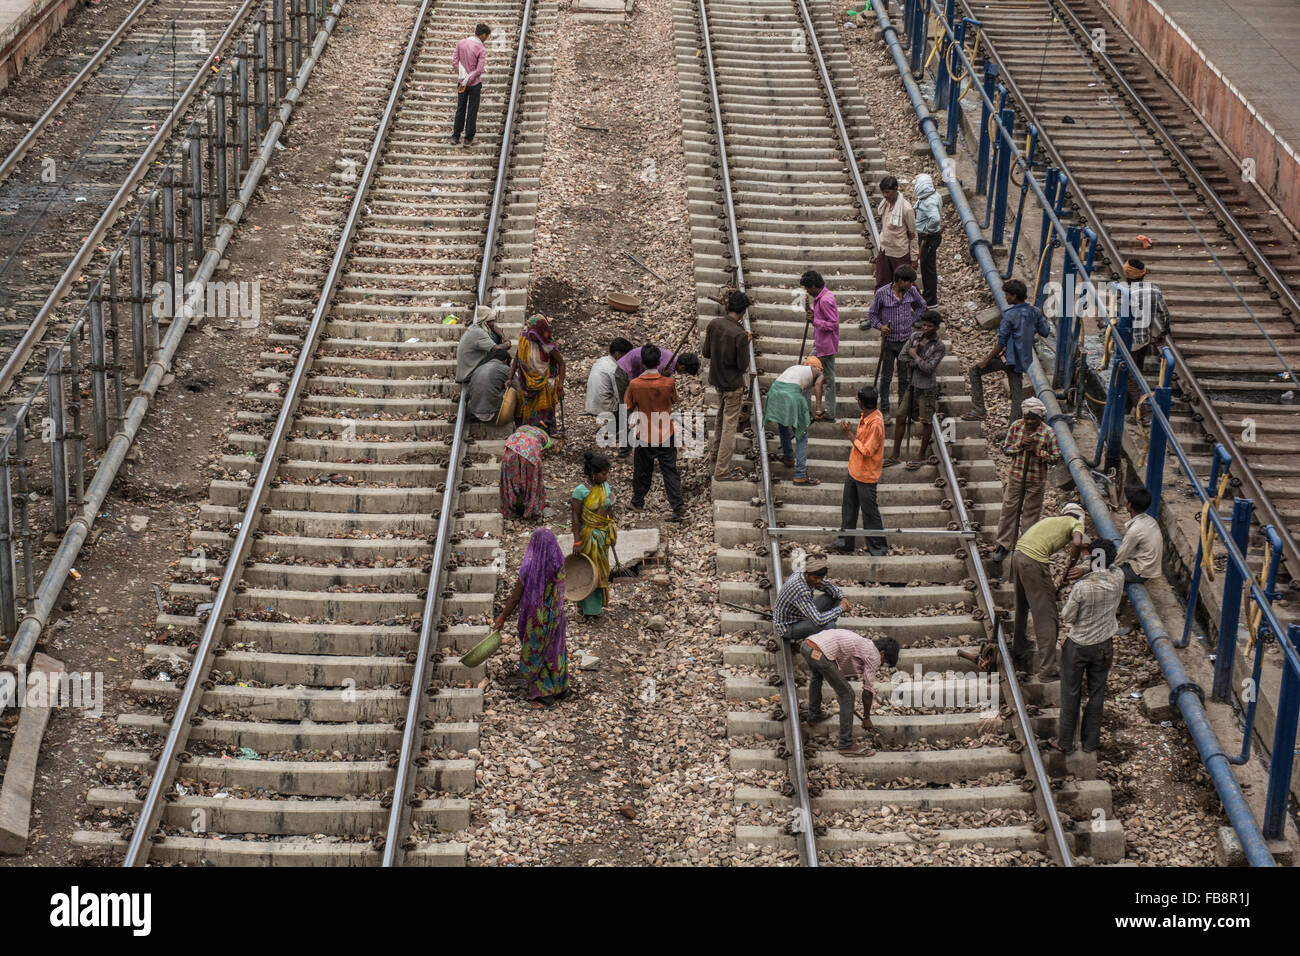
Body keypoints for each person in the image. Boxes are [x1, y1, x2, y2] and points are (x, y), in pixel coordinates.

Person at [1051, 539, 1123, 754]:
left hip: (1078, 646)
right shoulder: (1118, 577)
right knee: (1097, 693)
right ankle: (1090, 743)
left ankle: (1065, 743)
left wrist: (1085, 567)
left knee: (1070, 693)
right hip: (1104, 645)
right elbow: (1109, 565)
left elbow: (1067, 616)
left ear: (1093, 559)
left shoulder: (1082, 587)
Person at [492, 527, 569, 708]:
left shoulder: (529, 568)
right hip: (555, 617)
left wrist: (503, 616)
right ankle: (560, 689)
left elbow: (515, 597)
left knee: (536, 651)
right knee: (555, 650)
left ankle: (543, 694)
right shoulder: (559, 563)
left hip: (535, 620)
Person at [1011, 502, 1088, 682]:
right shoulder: (1075, 523)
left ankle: (1019, 646)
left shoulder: (1052, 521)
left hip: (1018, 555)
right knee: (1047, 616)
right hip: (1033, 561)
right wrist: (1072, 562)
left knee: (1022, 605)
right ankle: (1047, 669)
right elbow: (1078, 542)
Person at [801, 629, 900, 757]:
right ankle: (846, 744)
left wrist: (839, 688)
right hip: (820, 652)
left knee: (817, 676)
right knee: (848, 695)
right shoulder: (874, 655)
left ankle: (814, 715)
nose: (880, 665)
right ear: (882, 653)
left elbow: (835, 667)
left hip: (808, 646)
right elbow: (867, 691)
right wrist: (866, 718)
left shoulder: (864, 644)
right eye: (884, 662)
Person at [964, 279, 1050, 423]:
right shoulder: (1035, 312)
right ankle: (1013, 426)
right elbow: (1045, 332)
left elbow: (1001, 342)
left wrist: (986, 361)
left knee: (975, 371)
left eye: (1007, 295)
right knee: (1016, 393)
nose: (1005, 297)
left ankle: (979, 409)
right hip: (1023, 360)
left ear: (1014, 296)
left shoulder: (1010, 315)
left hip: (1008, 358)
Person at [990, 397, 1062, 563]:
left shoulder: (1048, 433)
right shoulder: (1016, 427)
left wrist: (1038, 451)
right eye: (1026, 418)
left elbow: (1056, 458)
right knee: (1009, 511)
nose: (1029, 422)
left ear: (1041, 418)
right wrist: (1019, 445)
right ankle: (1003, 545)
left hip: (1036, 480)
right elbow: (1006, 449)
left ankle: (1025, 548)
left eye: (1033, 419)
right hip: (1016, 476)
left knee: (1031, 514)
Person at [624, 344, 686, 521]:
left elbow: (628, 405)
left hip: (644, 433)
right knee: (670, 470)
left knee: (642, 470)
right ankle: (678, 508)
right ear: (659, 362)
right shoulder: (669, 383)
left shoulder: (635, 384)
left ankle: (637, 502)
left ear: (643, 363)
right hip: (666, 432)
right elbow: (674, 399)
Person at [862, 265, 926, 417]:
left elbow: (922, 306)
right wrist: (881, 327)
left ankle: (902, 410)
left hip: (906, 342)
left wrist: (912, 320)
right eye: (908, 282)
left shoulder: (911, 291)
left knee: (904, 378)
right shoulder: (882, 293)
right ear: (900, 281)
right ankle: (884, 410)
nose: (911, 285)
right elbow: (872, 315)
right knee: (886, 377)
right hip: (889, 342)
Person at [886, 310, 946, 471]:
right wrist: (917, 359)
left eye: (929, 326)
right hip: (912, 384)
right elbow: (902, 357)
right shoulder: (915, 337)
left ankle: (921, 456)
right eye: (924, 325)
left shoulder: (939, 346)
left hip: (927, 388)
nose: (925, 328)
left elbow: (929, 368)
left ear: (936, 327)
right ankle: (895, 455)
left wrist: (915, 356)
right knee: (900, 416)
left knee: (926, 421)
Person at [1109, 258, 1171, 411]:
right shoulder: (1155, 290)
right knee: (1136, 373)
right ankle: (1126, 408)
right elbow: (1165, 315)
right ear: (1143, 274)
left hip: (1127, 342)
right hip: (1144, 341)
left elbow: (1116, 318)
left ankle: (1141, 411)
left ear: (1127, 274)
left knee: (1130, 378)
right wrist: (1163, 333)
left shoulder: (1125, 292)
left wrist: (1105, 326)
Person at [704, 290, 753, 482]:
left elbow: (706, 353)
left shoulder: (714, 324)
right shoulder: (740, 334)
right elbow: (743, 366)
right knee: (729, 427)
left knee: (720, 419)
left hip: (718, 382)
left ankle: (715, 456)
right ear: (743, 311)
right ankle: (722, 470)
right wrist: (746, 344)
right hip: (733, 385)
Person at [833, 386, 886, 556]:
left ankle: (878, 547)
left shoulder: (876, 423)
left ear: (861, 403)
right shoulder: (867, 416)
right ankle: (845, 542)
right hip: (854, 470)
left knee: (870, 513)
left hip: (866, 475)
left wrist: (849, 434)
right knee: (848, 509)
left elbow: (867, 451)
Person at [762, 356, 825, 486]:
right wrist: (819, 410)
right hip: (790, 393)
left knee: (783, 424)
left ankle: (789, 457)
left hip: (775, 392)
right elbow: (818, 384)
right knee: (802, 435)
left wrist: (809, 414)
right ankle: (800, 474)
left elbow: (799, 396)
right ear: (818, 368)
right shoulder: (818, 372)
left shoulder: (796, 369)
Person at [571, 451, 617, 618]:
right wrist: (577, 541)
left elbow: (609, 508)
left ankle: (596, 607)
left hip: (602, 535)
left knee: (601, 570)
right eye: (603, 474)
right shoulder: (580, 491)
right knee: (590, 570)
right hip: (588, 536)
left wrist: (612, 530)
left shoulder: (605, 487)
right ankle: (584, 606)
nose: (606, 477)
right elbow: (575, 518)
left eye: (607, 473)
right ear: (593, 473)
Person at [773, 551, 849, 642]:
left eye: (821, 578)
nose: (819, 581)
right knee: (830, 626)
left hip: (801, 615)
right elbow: (819, 620)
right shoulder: (800, 589)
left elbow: (828, 586)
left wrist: (843, 598)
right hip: (788, 628)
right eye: (816, 578)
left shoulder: (805, 575)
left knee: (835, 597)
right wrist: (840, 608)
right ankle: (823, 632)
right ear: (807, 573)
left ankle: (824, 626)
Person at [513, 315, 565, 433]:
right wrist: (510, 378)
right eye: (531, 333)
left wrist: (560, 386)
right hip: (526, 383)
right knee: (525, 412)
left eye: (534, 334)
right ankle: (528, 434)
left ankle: (542, 435)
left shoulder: (548, 346)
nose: (531, 336)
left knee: (543, 414)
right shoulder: (525, 340)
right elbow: (517, 358)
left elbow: (562, 364)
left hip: (544, 383)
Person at [456, 315, 512, 423]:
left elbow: (495, 327)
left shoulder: (477, 327)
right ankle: (503, 375)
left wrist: (504, 337)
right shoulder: (479, 333)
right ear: (485, 322)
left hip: (468, 365)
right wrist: (507, 343)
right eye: (491, 321)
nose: (493, 324)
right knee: (502, 353)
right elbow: (496, 348)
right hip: (470, 370)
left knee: (496, 337)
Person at [586, 337, 634, 457]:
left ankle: (608, 429)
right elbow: (621, 396)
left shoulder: (602, 360)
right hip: (604, 405)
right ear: (618, 354)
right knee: (628, 413)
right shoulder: (615, 369)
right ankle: (625, 449)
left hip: (592, 401)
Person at [801, 270, 839, 420]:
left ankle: (805, 412)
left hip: (824, 346)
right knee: (829, 379)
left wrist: (814, 321)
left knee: (806, 376)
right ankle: (830, 412)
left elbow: (833, 324)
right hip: (825, 344)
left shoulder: (824, 300)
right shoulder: (822, 297)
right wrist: (808, 309)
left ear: (813, 286)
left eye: (807, 288)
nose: (807, 291)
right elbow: (819, 317)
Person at [499, 424, 551, 521]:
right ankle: (531, 511)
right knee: (532, 484)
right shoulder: (545, 439)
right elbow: (542, 452)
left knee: (509, 483)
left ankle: (509, 511)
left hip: (510, 453)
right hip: (530, 454)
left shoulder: (522, 428)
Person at [451, 23, 492, 146]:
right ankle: (468, 139)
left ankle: (455, 136)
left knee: (460, 108)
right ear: (483, 35)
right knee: (472, 111)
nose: (486, 39)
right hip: (474, 84)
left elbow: (454, 62)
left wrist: (463, 76)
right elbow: (479, 70)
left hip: (461, 83)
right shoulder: (481, 49)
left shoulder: (461, 43)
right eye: (487, 36)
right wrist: (470, 79)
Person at [615, 343, 700, 402]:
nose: (683, 374)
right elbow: (649, 385)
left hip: (629, 369)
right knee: (625, 403)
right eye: (685, 372)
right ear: (682, 367)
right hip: (624, 370)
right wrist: (661, 378)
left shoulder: (671, 358)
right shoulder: (667, 366)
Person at [1114, 484, 1162, 584]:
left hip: (1140, 572)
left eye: (1127, 501)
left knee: (1106, 568)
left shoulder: (1134, 530)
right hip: (1150, 567)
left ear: (1130, 505)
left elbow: (1120, 557)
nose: (1125, 502)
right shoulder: (1151, 520)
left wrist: (1110, 568)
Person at [875, 175, 917, 287]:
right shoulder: (885, 204)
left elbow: (913, 234)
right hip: (885, 250)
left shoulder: (906, 209)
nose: (885, 195)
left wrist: (914, 257)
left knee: (905, 284)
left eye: (887, 192)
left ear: (896, 189)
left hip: (899, 253)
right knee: (882, 283)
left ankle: (917, 299)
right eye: (883, 192)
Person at [913, 173, 942, 305]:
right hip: (931, 237)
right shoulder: (934, 196)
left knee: (927, 269)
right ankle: (929, 297)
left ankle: (930, 300)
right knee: (927, 267)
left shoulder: (928, 202)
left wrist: (927, 230)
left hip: (928, 238)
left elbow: (935, 219)